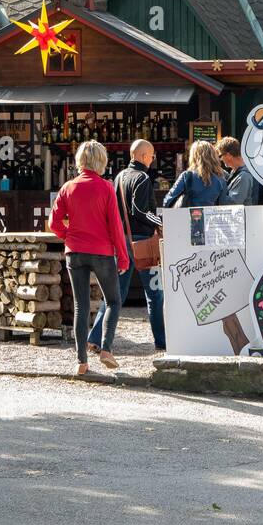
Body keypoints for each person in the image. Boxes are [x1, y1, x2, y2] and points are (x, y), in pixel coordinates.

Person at [50, 140, 129, 374]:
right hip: (102, 252)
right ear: (101, 161)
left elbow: (54, 223)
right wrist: (122, 257)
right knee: (113, 301)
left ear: (79, 161)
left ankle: (81, 361)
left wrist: (69, 236)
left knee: (80, 306)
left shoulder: (68, 187)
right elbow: (115, 226)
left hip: (74, 252)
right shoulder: (105, 187)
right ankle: (105, 349)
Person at [91, 138, 166, 352]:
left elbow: (114, 210)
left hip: (121, 242)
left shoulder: (120, 176)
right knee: (154, 294)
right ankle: (161, 341)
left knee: (114, 294)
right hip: (142, 243)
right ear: (143, 156)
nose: (152, 159)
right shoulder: (142, 178)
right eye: (151, 155)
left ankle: (94, 338)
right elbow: (139, 211)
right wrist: (160, 223)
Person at [163, 139, 227, 208]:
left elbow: (168, 201)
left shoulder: (187, 176)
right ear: (213, 156)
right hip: (211, 217)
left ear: (194, 157)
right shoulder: (221, 178)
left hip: (188, 217)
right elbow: (224, 205)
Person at [216, 136, 261, 206]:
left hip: (245, 216)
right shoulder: (238, 171)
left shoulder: (244, 176)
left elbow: (233, 203)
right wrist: (215, 169)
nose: (221, 159)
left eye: (220, 156)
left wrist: (216, 193)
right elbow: (231, 180)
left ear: (228, 155)